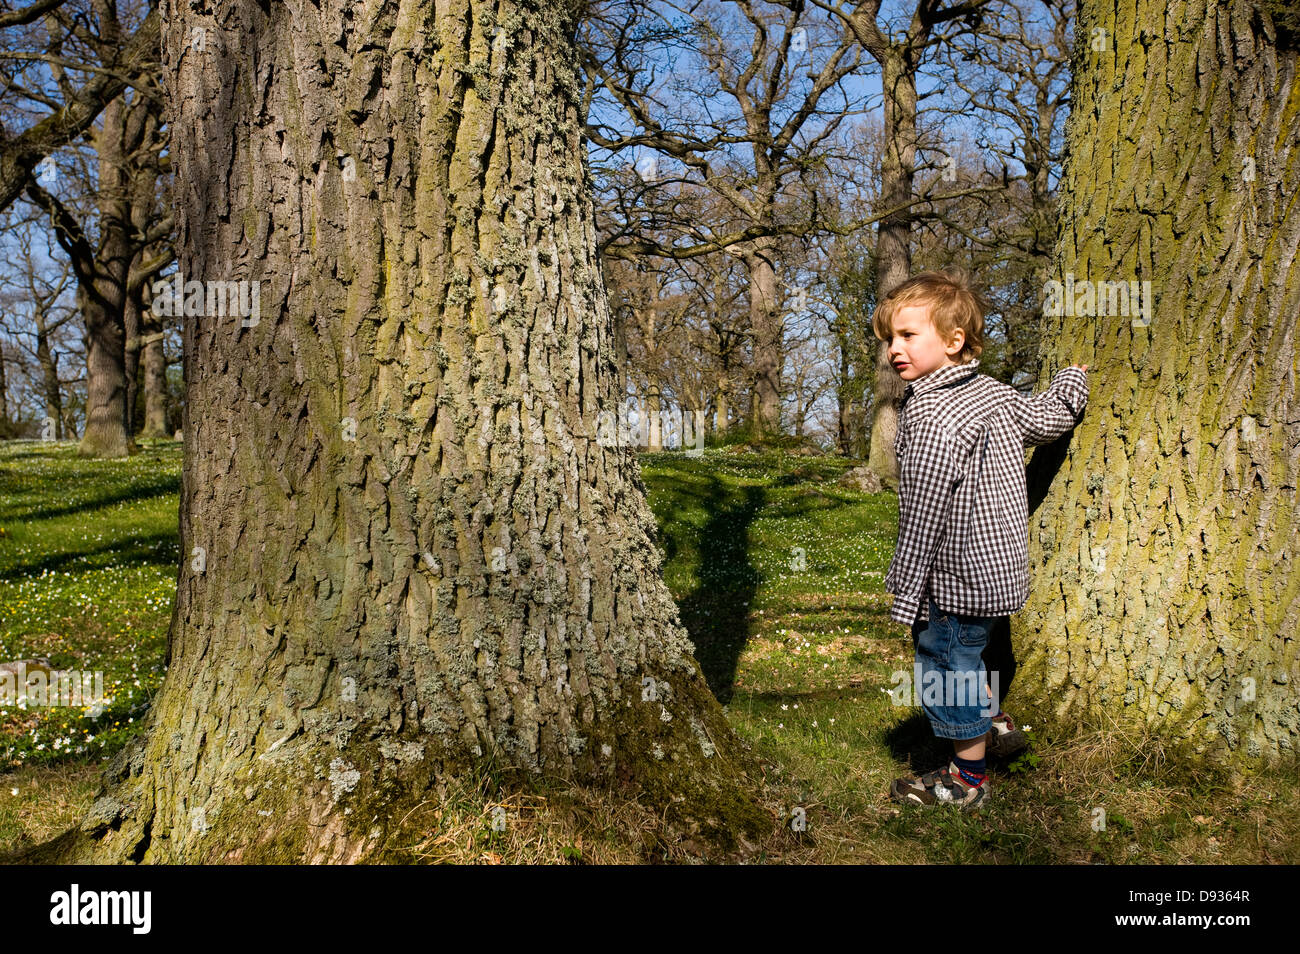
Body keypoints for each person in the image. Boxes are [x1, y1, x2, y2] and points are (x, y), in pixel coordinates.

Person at [873, 269, 1089, 809]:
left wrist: (905, 582)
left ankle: (966, 780)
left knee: (946, 671)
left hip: (952, 576)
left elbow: (923, 507)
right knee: (974, 655)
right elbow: (1047, 418)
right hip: (998, 573)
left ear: (953, 340)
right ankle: (994, 722)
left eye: (907, 336)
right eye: (890, 339)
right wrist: (1072, 381)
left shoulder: (927, 412)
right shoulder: (994, 393)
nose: (895, 350)